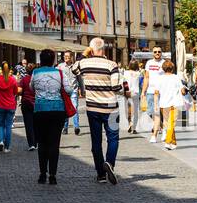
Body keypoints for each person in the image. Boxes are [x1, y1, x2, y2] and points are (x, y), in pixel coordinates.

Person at [78, 38, 121, 185]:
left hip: (93, 108)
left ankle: (101, 174)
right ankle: (109, 162)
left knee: (96, 141)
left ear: (91, 49)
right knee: (113, 138)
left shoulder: (84, 63)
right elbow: (116, 87)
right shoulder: (112, 65)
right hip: (111, 108)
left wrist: (84, 54)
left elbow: (73, 68)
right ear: (104, 48)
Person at [27, 48, 68, 183]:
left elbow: (31, 87)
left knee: (42, 143)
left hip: (40, 110)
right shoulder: (60, 73)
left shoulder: (35, 72)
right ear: (53, 60)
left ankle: (42, 173)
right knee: (54, 143)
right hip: (57, 111)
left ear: (41, 60)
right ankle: (53, 175)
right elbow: (69, 89)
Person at [155, 58, 185, 150]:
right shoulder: (176, 77)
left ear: (163, 69)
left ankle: (173, 142)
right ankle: (168, 141)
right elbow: (182, 91)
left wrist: (156, 104)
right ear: (172, 68)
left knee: (168, 123)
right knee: (172, 123)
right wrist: (184, 89)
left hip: (164, 104)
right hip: (174, 103)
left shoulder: (159, 78)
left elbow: (156, 92)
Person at [0, 62, 19, 152]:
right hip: (10, 105)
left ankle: (1, 141)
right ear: (10, 70)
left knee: (1, 125)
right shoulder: (13, 80)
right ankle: (6, 147)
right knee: (8, 126)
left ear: (1, 69)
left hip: (0, 105)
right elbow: (15, 92)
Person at [144, 48, 165, 143]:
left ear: (161, 53)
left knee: (158, 112)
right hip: (150, 91)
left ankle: (156, 132)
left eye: (159, 52)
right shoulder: (148, 63)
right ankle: (162, 126)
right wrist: (143, 91)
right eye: (155, 52)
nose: (157, 53)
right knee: (150, 112)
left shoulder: (164, 63)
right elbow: (146, 77)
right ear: (153, 53)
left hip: (161, 91)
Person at [18, 55, 37, 151]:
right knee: (37, 124)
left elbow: (19, 91)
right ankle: (36, 141)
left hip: (26, 103)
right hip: (37, 104)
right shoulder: (37, 79)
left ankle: (31, 144)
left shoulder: (24, 80)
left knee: (28, 124)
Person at [123, 61, 142, 134]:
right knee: (135, 111)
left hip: (127, 92)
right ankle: (134, 128)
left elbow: (124, 82)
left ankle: (130, 124)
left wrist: (126, 90)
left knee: (127, 110)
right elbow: (140, 83)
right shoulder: (138, 73)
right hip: (136, 93)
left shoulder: (125, 72)